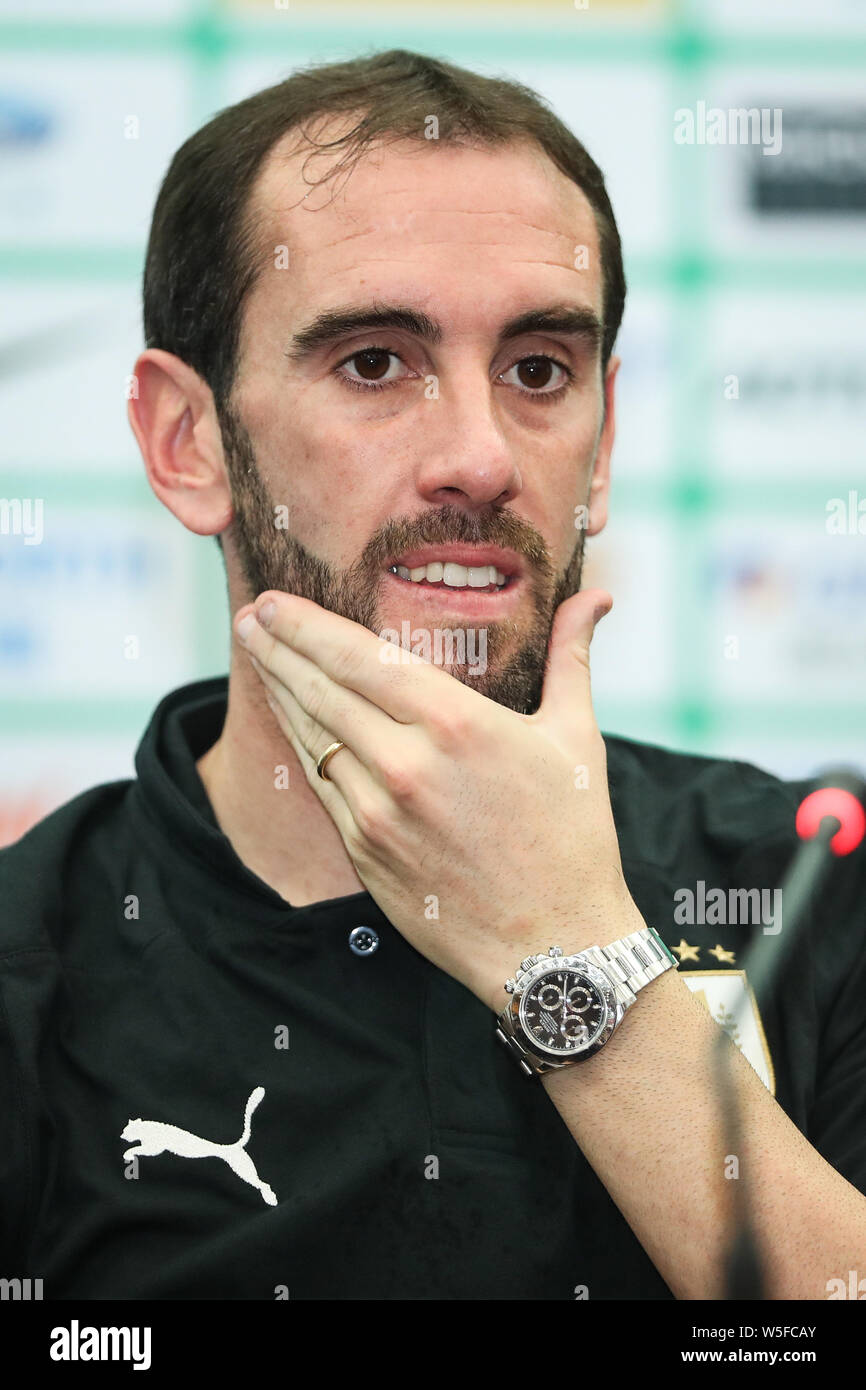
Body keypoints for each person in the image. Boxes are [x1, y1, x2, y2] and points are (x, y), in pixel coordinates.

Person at [1, 49, 864, 1301]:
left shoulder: (804, 887)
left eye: (536, 371)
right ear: (188, 444)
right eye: (371, 362)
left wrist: (563, 947)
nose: (477, 456)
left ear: (604, 440)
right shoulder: (32, 963)